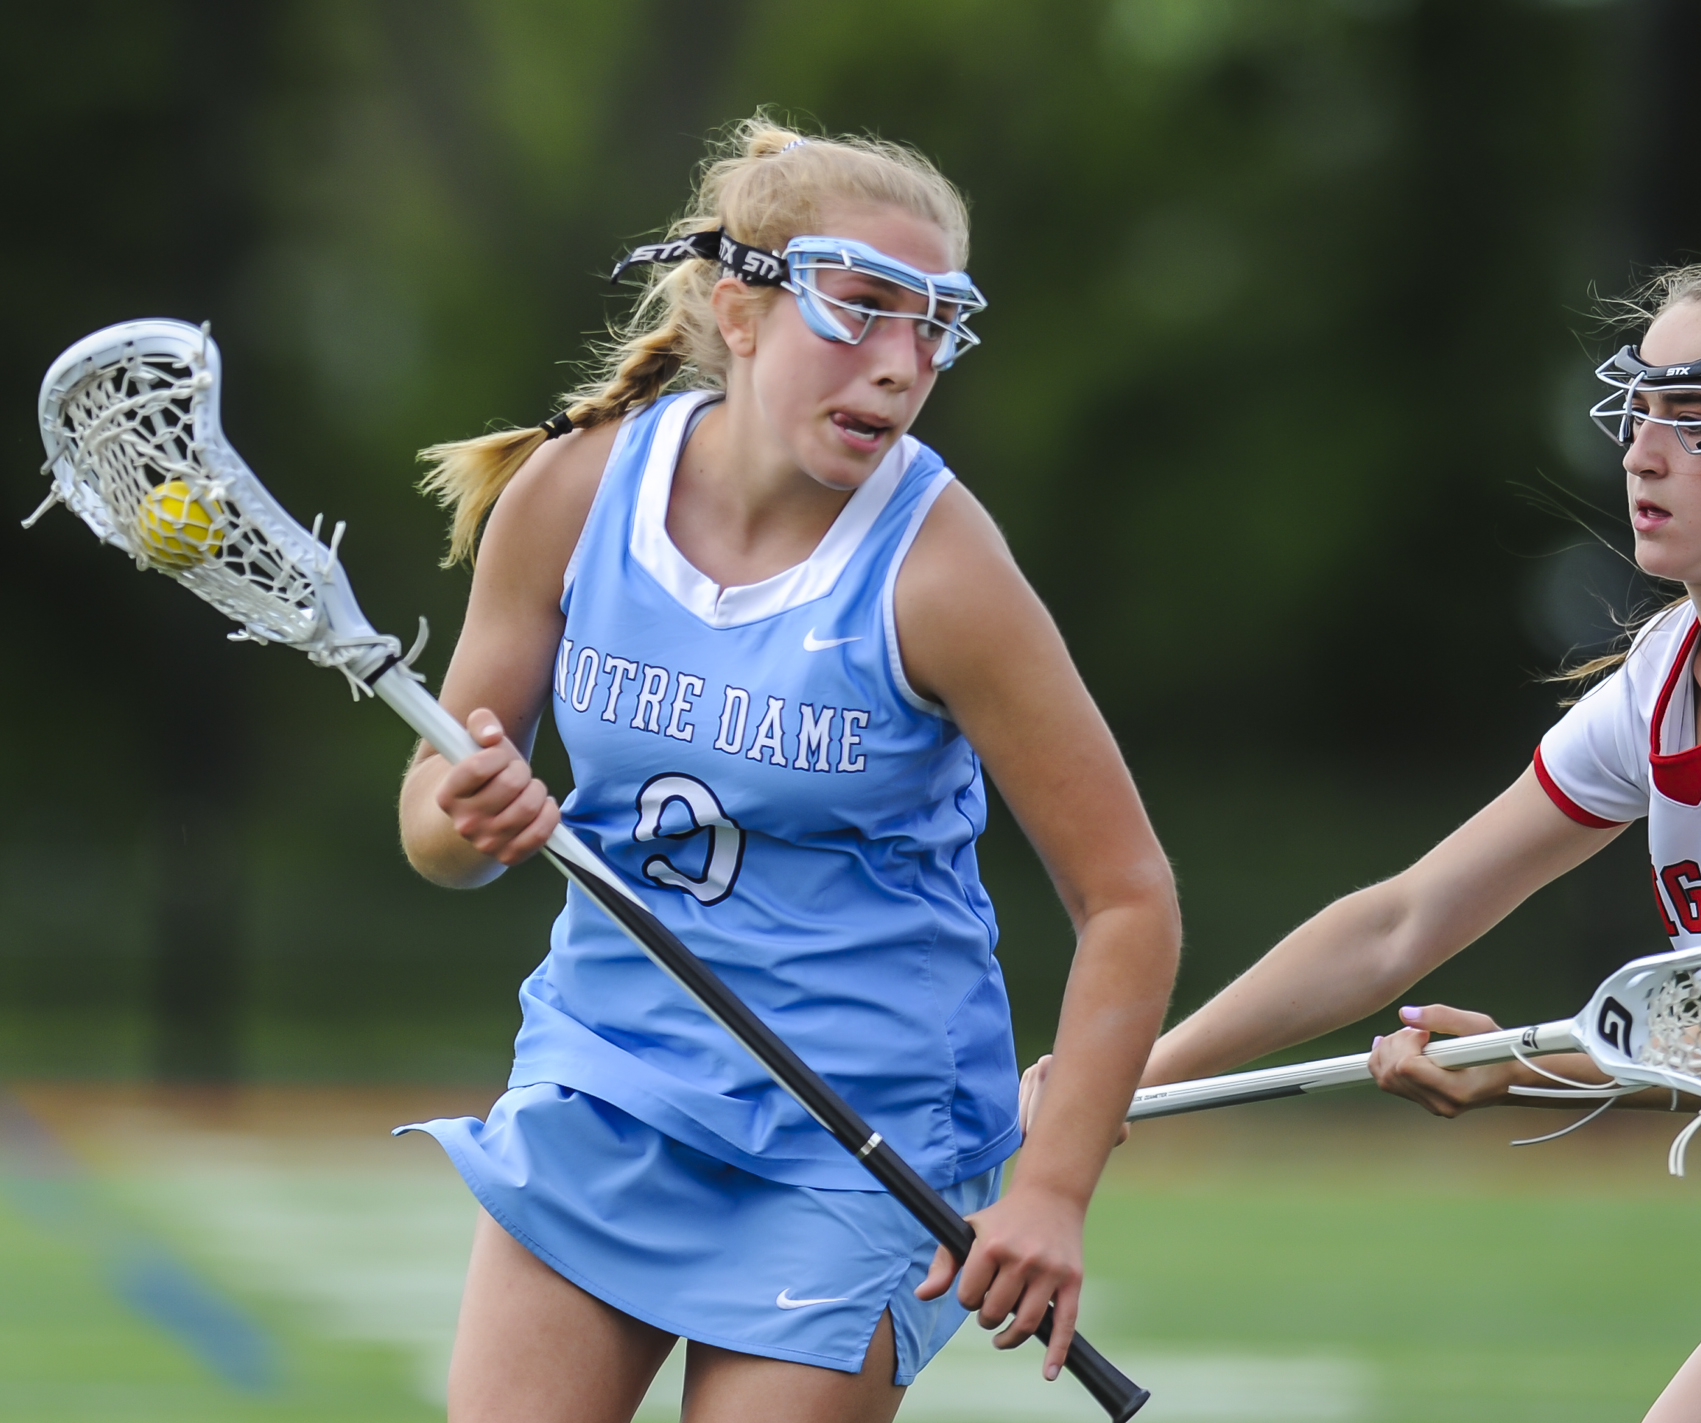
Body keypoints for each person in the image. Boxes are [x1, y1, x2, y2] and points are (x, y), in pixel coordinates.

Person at [1079, 244, 1701, 1420]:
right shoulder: (1667, 673)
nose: (1642, 450)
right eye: (1637, 403)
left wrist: (1515, 1069)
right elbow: (1402, 920)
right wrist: (1124, 1077)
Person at [394, 115, 1179, 1423]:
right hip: (608, 1071)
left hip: (854, 1138)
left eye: (935, 324)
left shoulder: (939, 569)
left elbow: (1127, 897)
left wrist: (1049, 1187)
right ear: (736, 307)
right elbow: (431, 826)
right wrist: (467, 814)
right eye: (861, 308)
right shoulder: (574, 493)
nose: (901, 362)